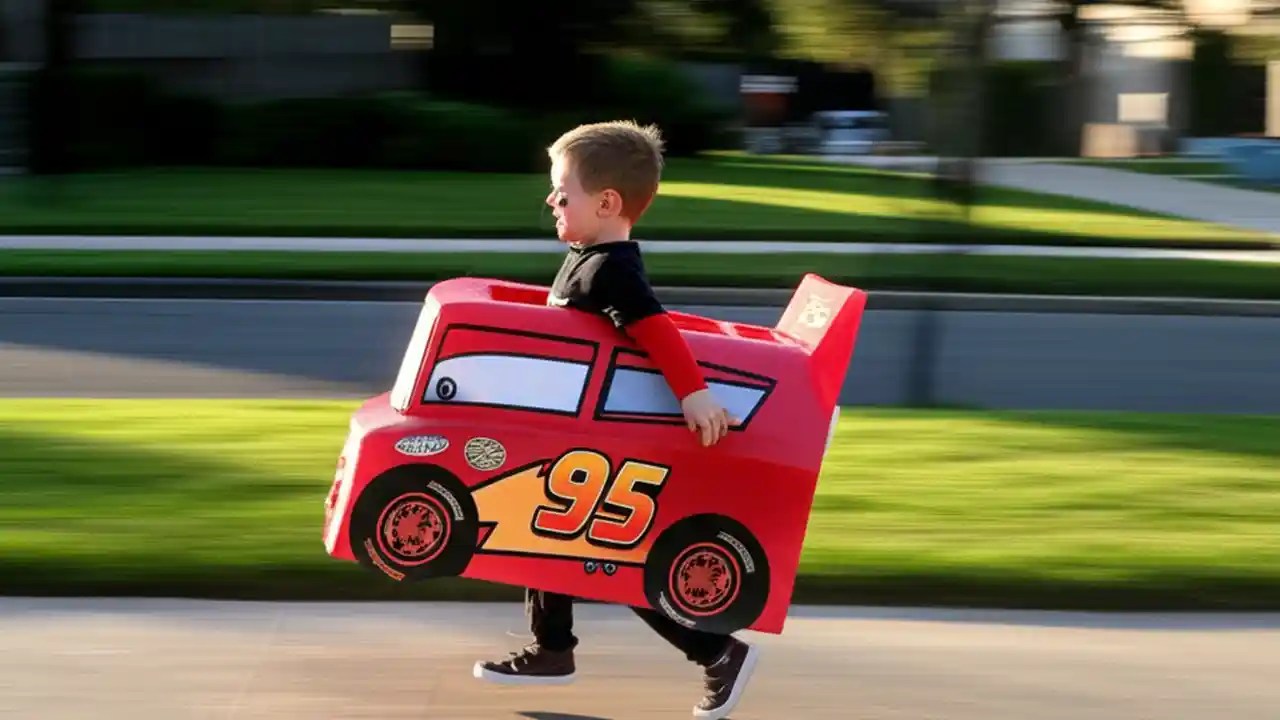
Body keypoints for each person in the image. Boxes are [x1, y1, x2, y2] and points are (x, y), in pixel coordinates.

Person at [471, 120, 759, 719]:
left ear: (606, 203)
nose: (551, 200)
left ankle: (711, 651)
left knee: (608, 562)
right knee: (556, 541)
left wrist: (694, 395)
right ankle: (558, 648)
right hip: (577, 436)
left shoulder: (611, 269)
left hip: (605, 441)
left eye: (562, 191)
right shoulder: (588, 258)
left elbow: (656, 329)